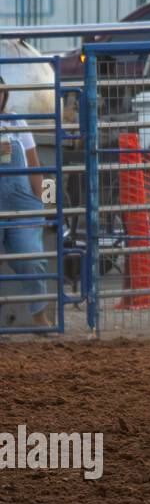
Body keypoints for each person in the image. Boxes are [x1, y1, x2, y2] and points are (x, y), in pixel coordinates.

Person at [0, 71, 52, 329]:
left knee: (31, 258)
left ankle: (40, 318)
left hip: (21, 202)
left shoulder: (17, 122)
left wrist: (41, 202)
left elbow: (34, 164)